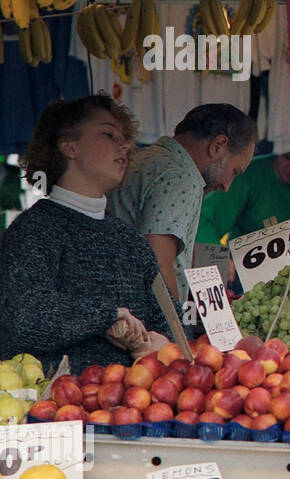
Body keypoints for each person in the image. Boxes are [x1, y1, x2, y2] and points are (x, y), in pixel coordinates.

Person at [0, 96, 169, 375]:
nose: (125, 145)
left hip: (137, 409)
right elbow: (23, 318)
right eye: (108, 134)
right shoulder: (32, 231)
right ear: (69, 146)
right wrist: (106, 317)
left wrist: (158, 343)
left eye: (125, 137)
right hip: (57, 409)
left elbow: (169, 322)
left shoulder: (131, 240)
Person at [108, 104, 257, 307]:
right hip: (138, 318)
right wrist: (174, 332)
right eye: (234, 172)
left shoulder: (146, 158)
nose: (227, 186)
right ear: (218, 145)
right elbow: (158, 264)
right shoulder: (182, 178)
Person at [196, 146, 290, 246]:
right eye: (288, 157)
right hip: (239, 257)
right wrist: (221, 260)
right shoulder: (249, 174)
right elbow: (204, 221)